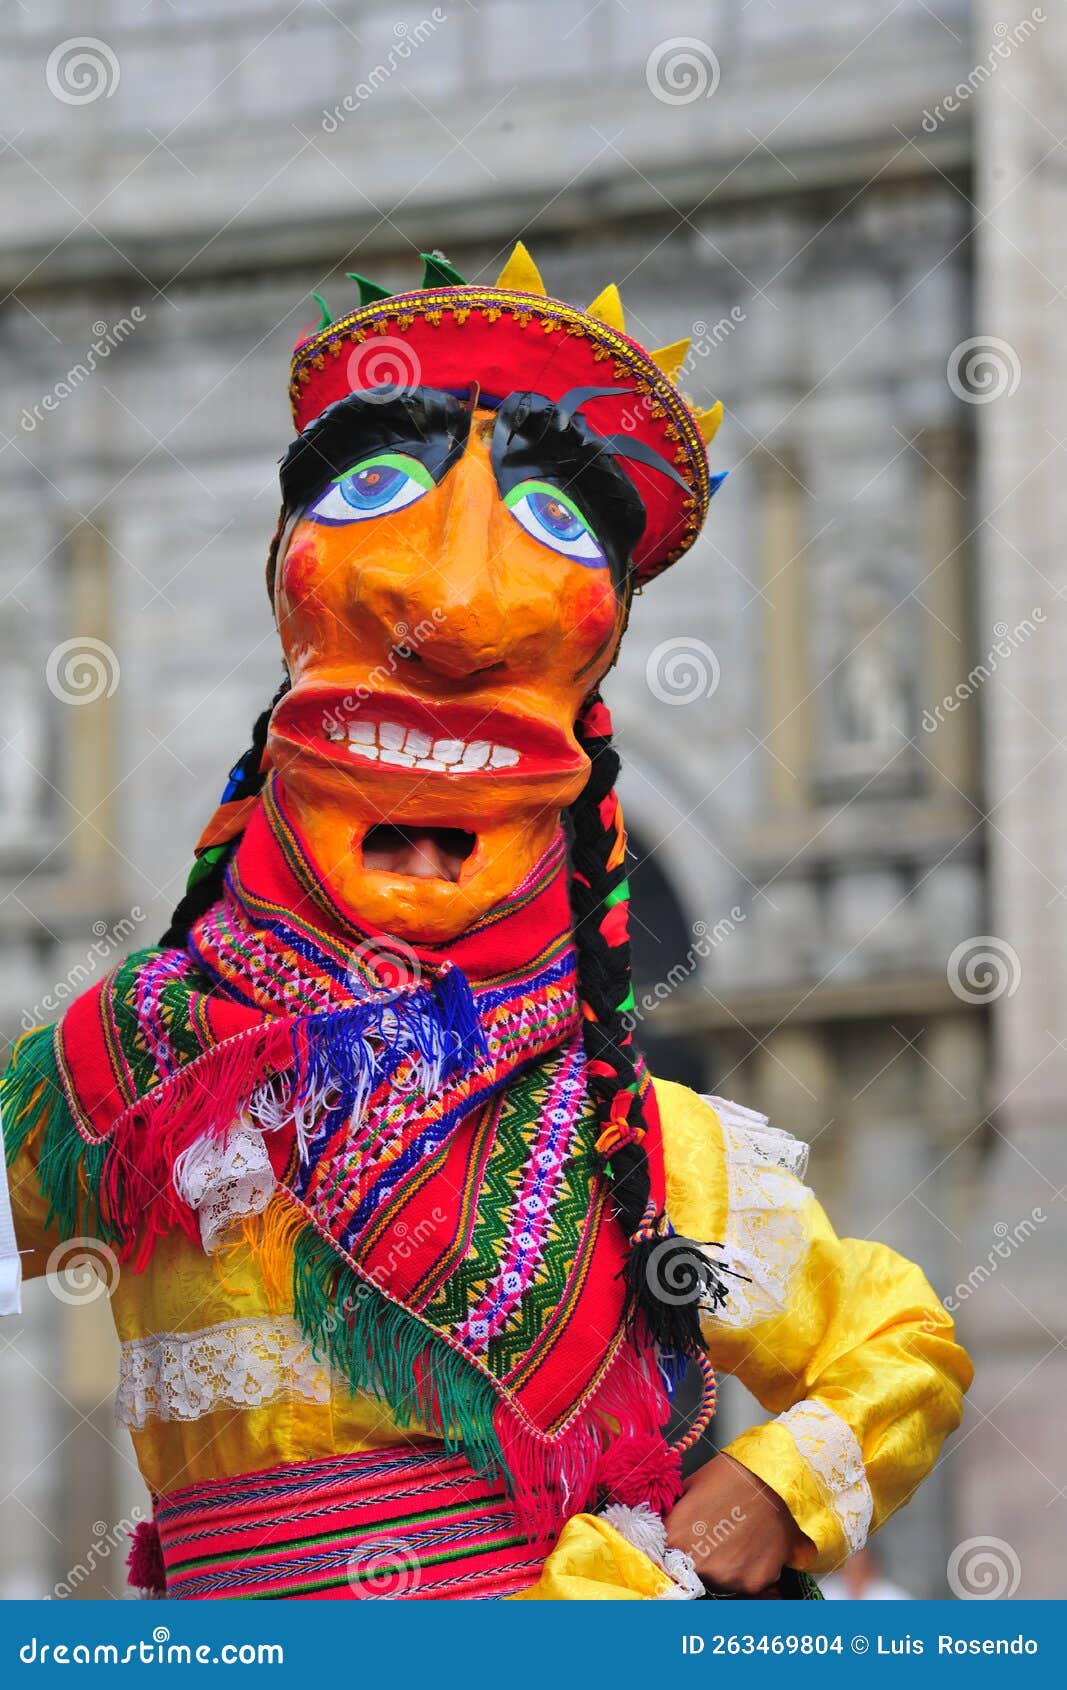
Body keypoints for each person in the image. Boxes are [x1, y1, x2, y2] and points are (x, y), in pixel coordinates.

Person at [0, 244, 971, 1601]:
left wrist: (770, 1489)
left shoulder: (630, 1139)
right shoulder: (126, 1074)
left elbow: (897, 1336)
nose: (447, 615)